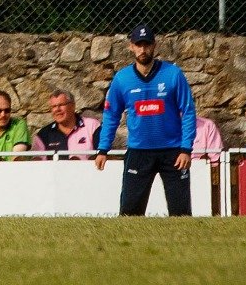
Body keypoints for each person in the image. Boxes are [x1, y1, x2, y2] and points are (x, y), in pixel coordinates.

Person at [96, 23, 196, 217]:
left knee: (181, 213)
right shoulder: (122, 78)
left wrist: (186, 149)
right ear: (131, 47)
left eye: (147, 44)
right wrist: (103, 149)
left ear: (154, 45)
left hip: (173, 152)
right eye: (138, 45)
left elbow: (188, 111)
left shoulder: (173, 74)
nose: (143, 49)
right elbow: (111, 115)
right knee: (130, 214)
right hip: (139, 152)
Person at [33, 89, 100, 156]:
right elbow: (38, 161)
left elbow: (102, 155)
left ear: (72, 106)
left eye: (61, 105)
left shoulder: (92, 126)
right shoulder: (44, 134)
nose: (57, 109)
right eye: (54, 106)